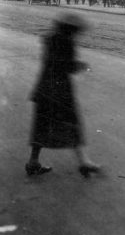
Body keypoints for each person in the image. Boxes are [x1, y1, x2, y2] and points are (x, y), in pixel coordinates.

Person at [25, 15, 101, 178]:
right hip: (61, 92)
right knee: (72, 125)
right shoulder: (67, 42)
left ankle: (33, 162)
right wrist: (81, 65)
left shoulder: (50, 39)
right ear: (71, 30)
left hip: (44, 89)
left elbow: (52, 62)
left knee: (42, 126)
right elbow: (66, 66)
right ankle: (84, 163)